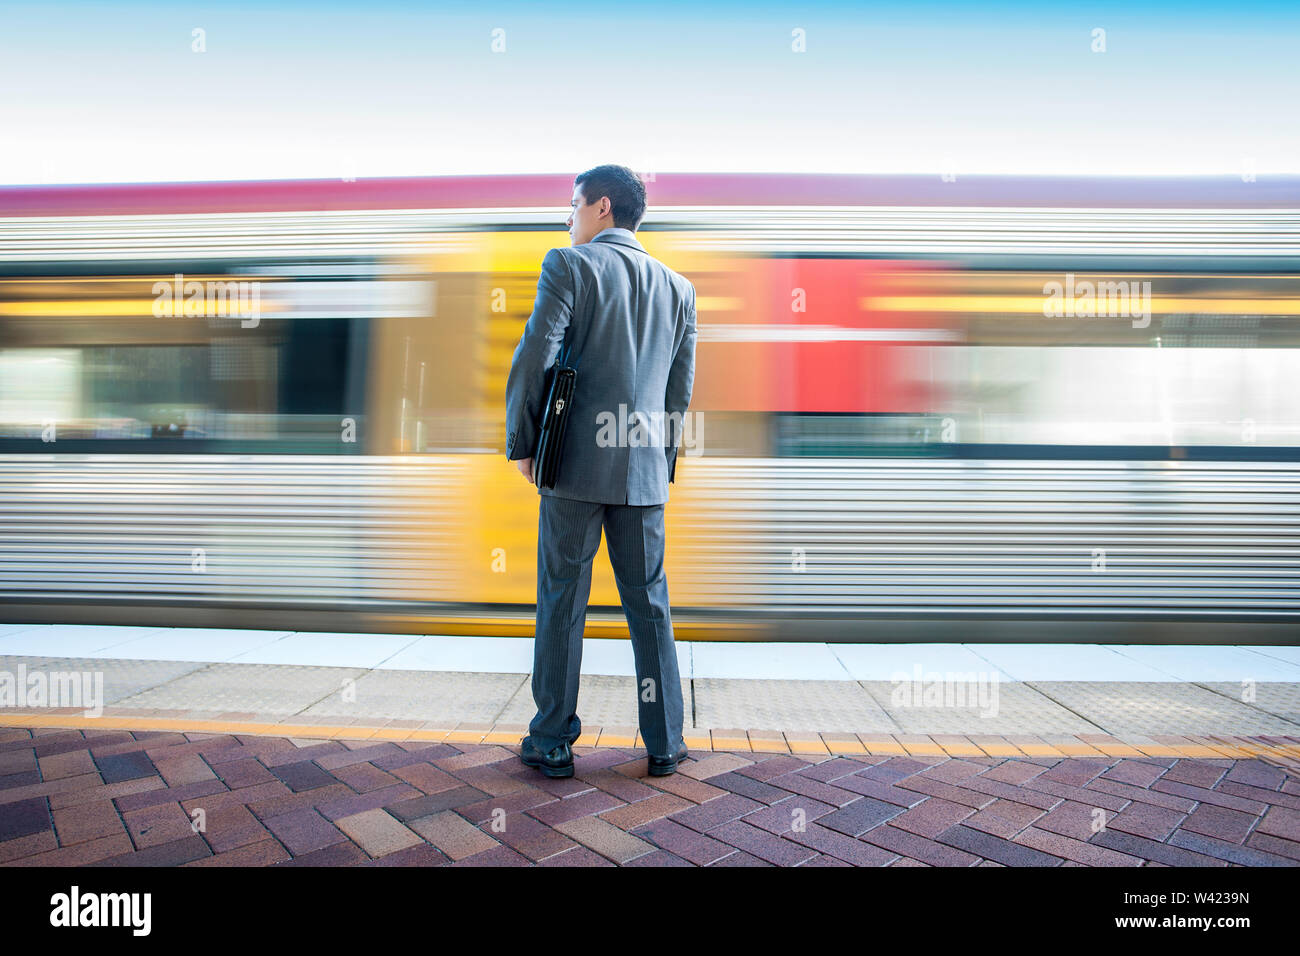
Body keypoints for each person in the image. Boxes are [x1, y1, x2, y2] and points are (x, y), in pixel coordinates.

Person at [505, 164, 697, 779]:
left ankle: (554, 739)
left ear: (603, 207)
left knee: (563, 598)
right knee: (650, 605)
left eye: (574, 205)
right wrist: (656, 466)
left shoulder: (569, 265)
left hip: (574, 468)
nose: (569, 218)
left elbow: (535, 353)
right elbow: (678, 394)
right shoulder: (679, 288)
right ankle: (664, 740)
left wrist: (524, 441)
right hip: (641, 472)